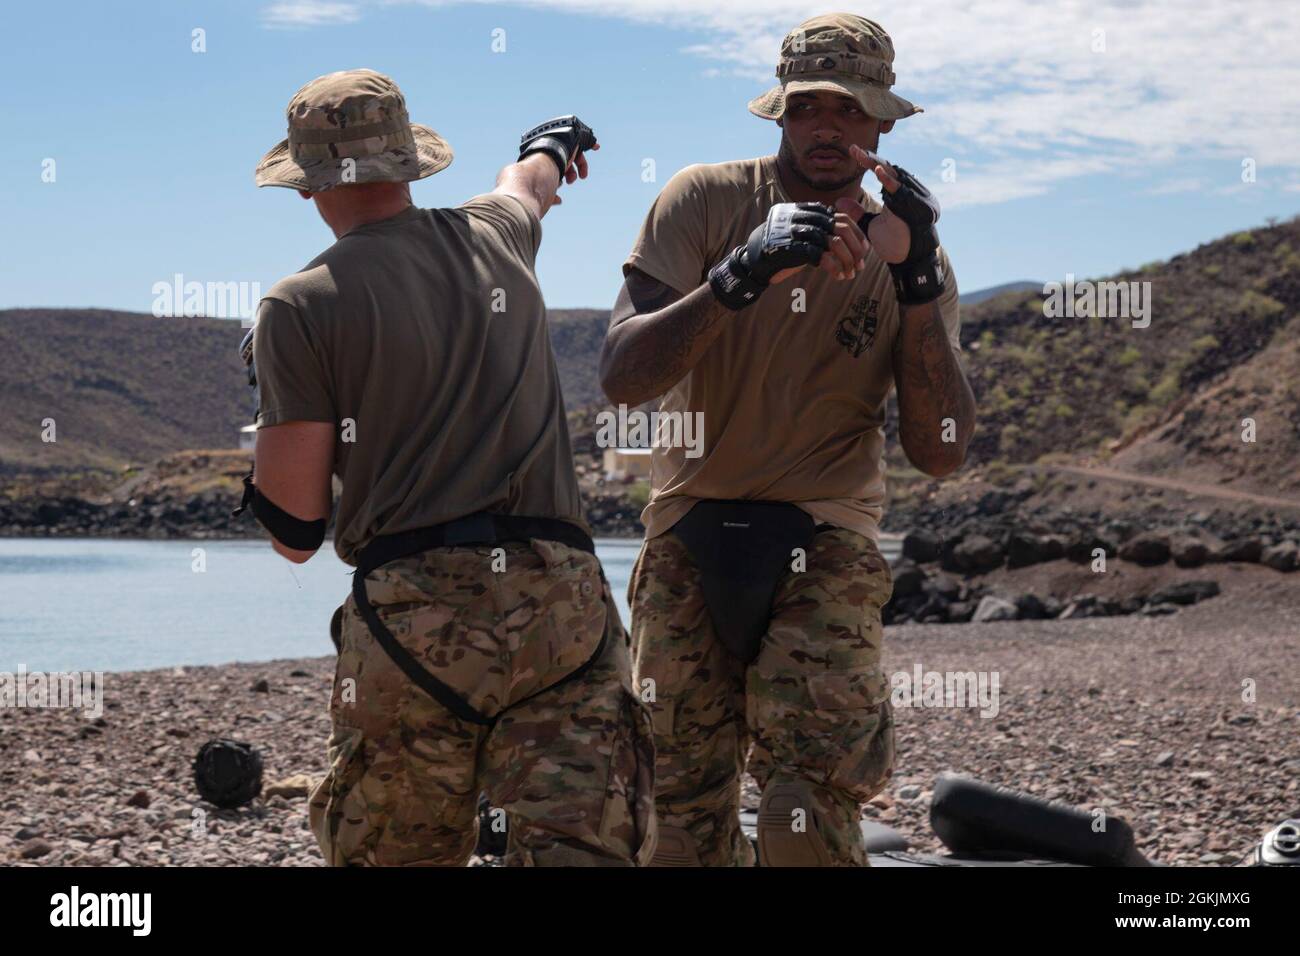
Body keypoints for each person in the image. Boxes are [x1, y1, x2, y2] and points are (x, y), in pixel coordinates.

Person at [240, 68, 655, 866]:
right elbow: (526, 183)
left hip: (415, 624)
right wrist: (553, 144)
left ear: (304, 185)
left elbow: (294, 529)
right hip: (561, 606)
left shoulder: (298, 304)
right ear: (408, 164)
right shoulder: (495, 232)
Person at [599, 14, 976, 866]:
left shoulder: (909, 250)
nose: (828, 128)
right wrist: (740, 274)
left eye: (851, 110)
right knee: (673, 816)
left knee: (802, 809)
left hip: (826, 535)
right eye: (809, 107)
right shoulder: (704, 199)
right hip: (689, 528)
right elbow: (624, 374)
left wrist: (915, 280)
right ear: (780, 113)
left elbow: (943, 449)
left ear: (883, 125)